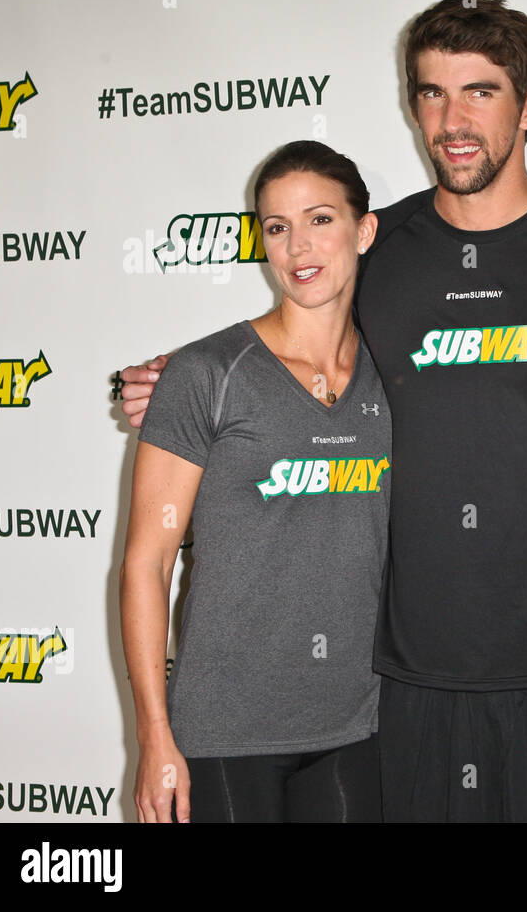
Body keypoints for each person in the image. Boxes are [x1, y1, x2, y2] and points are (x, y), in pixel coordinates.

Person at [116, 0, 527, 821]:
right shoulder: (377, 249)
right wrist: (176, 379)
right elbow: (287, 340)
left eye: (479, 92)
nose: (452, 120)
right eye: (430, 93)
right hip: (404, 690)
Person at [119, 140, 387, 822]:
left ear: (365, 229)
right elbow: (146, 566)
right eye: (277, 226)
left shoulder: (395, 375)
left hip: (356, 722)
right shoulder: (207, 373)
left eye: (321, 219)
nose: (299, 245)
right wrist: (153, 736)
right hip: (224, 728)